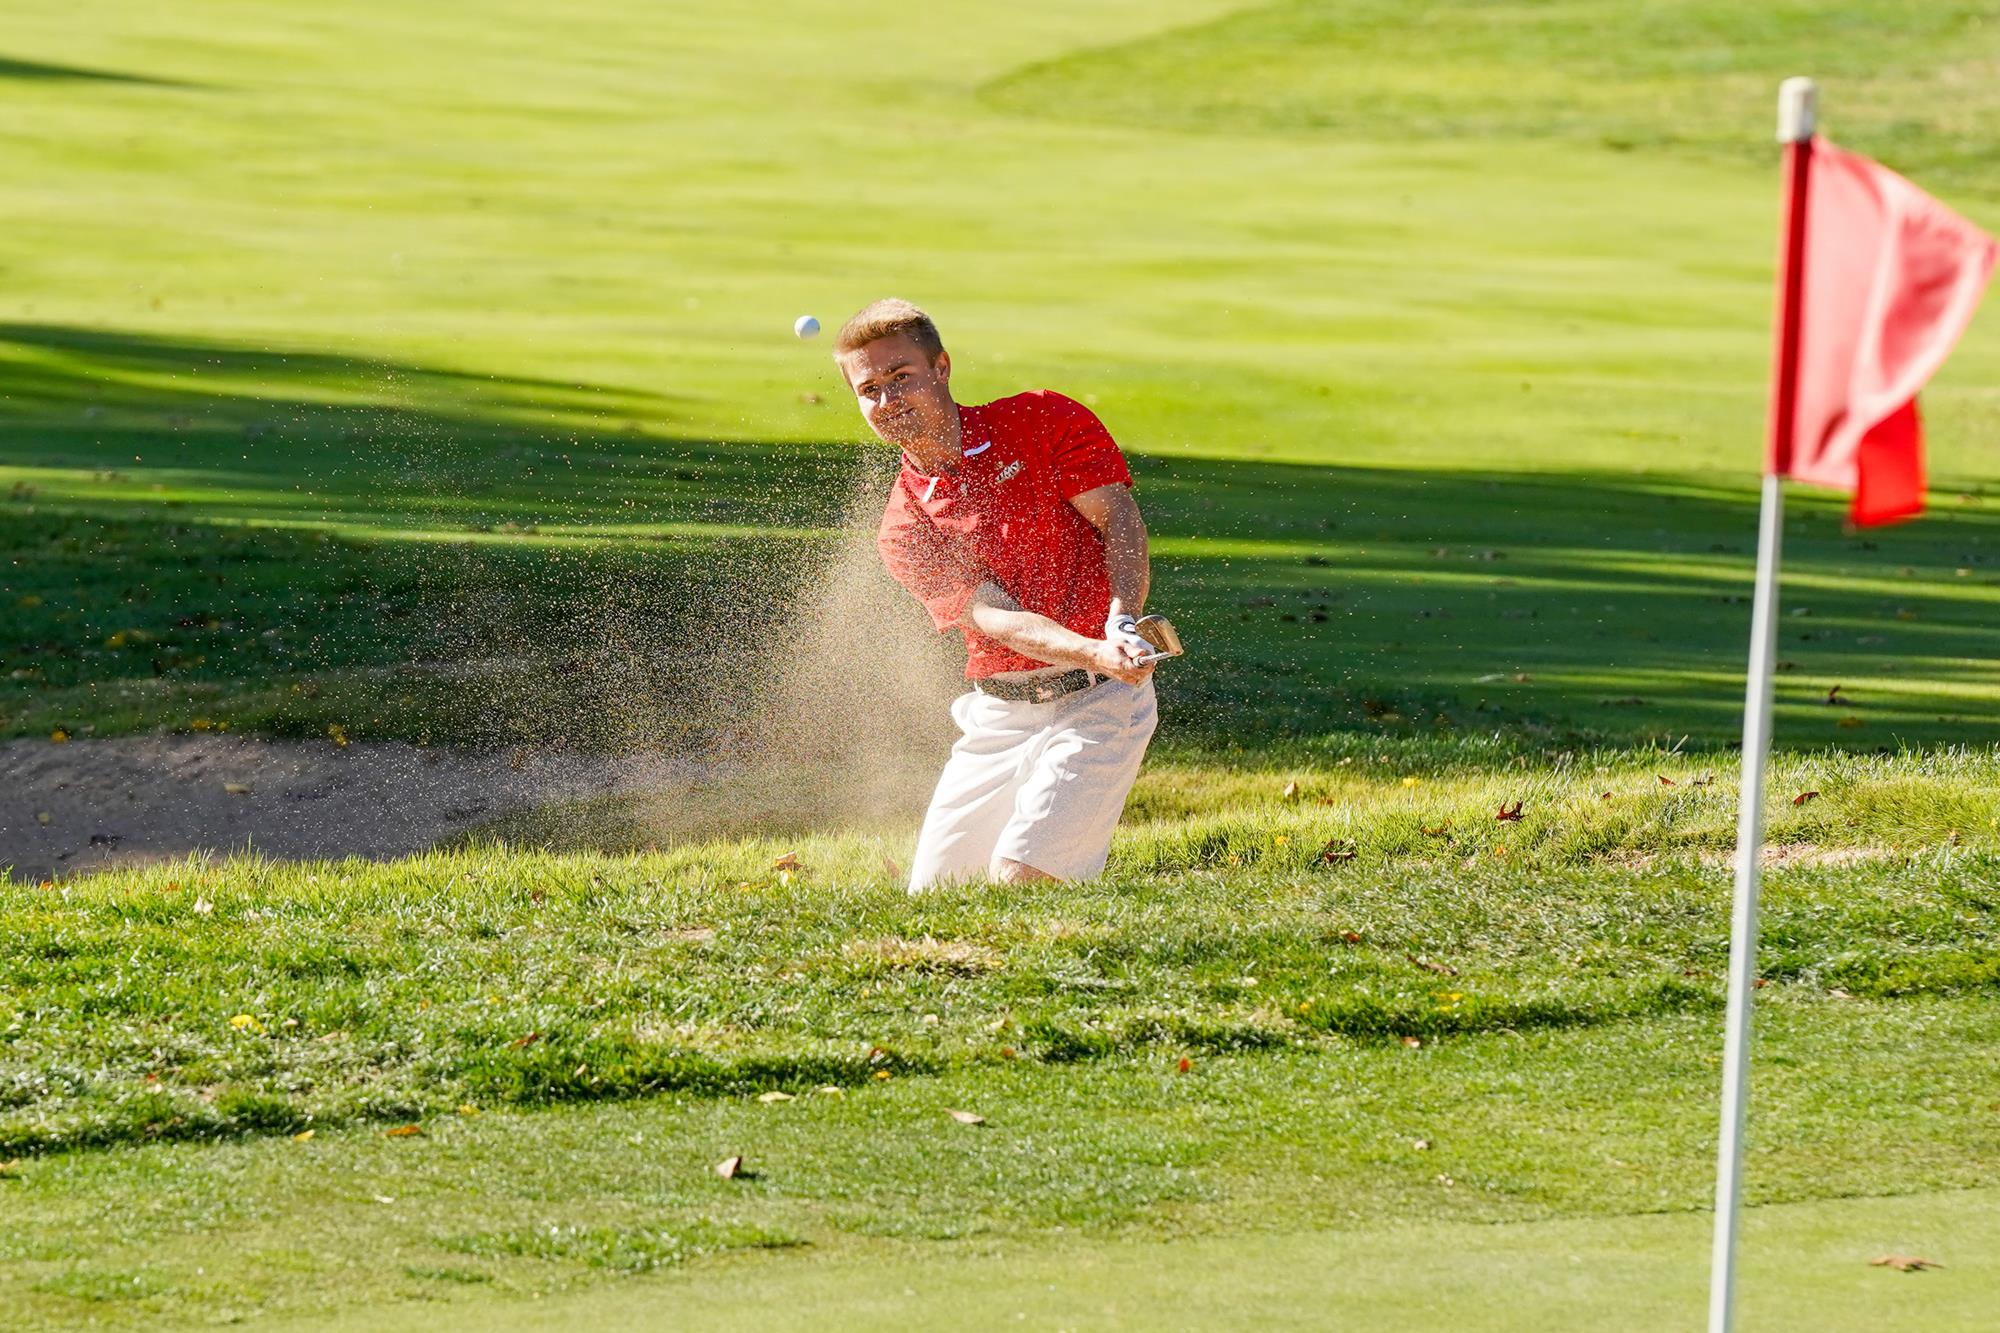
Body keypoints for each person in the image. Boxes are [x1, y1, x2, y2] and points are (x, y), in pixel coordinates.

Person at [832, 298, 1160, 892]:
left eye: (901, 376)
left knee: (1021, 878)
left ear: (941, 367)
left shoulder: (1042, 418)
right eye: (869, 389)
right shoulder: (903, 527)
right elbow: (993, 617)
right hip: (1000, 717)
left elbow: (1118, 517)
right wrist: (1091, 647)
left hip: (1100, 699)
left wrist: (1122, 622)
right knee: (937, 896)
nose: (888, 400)